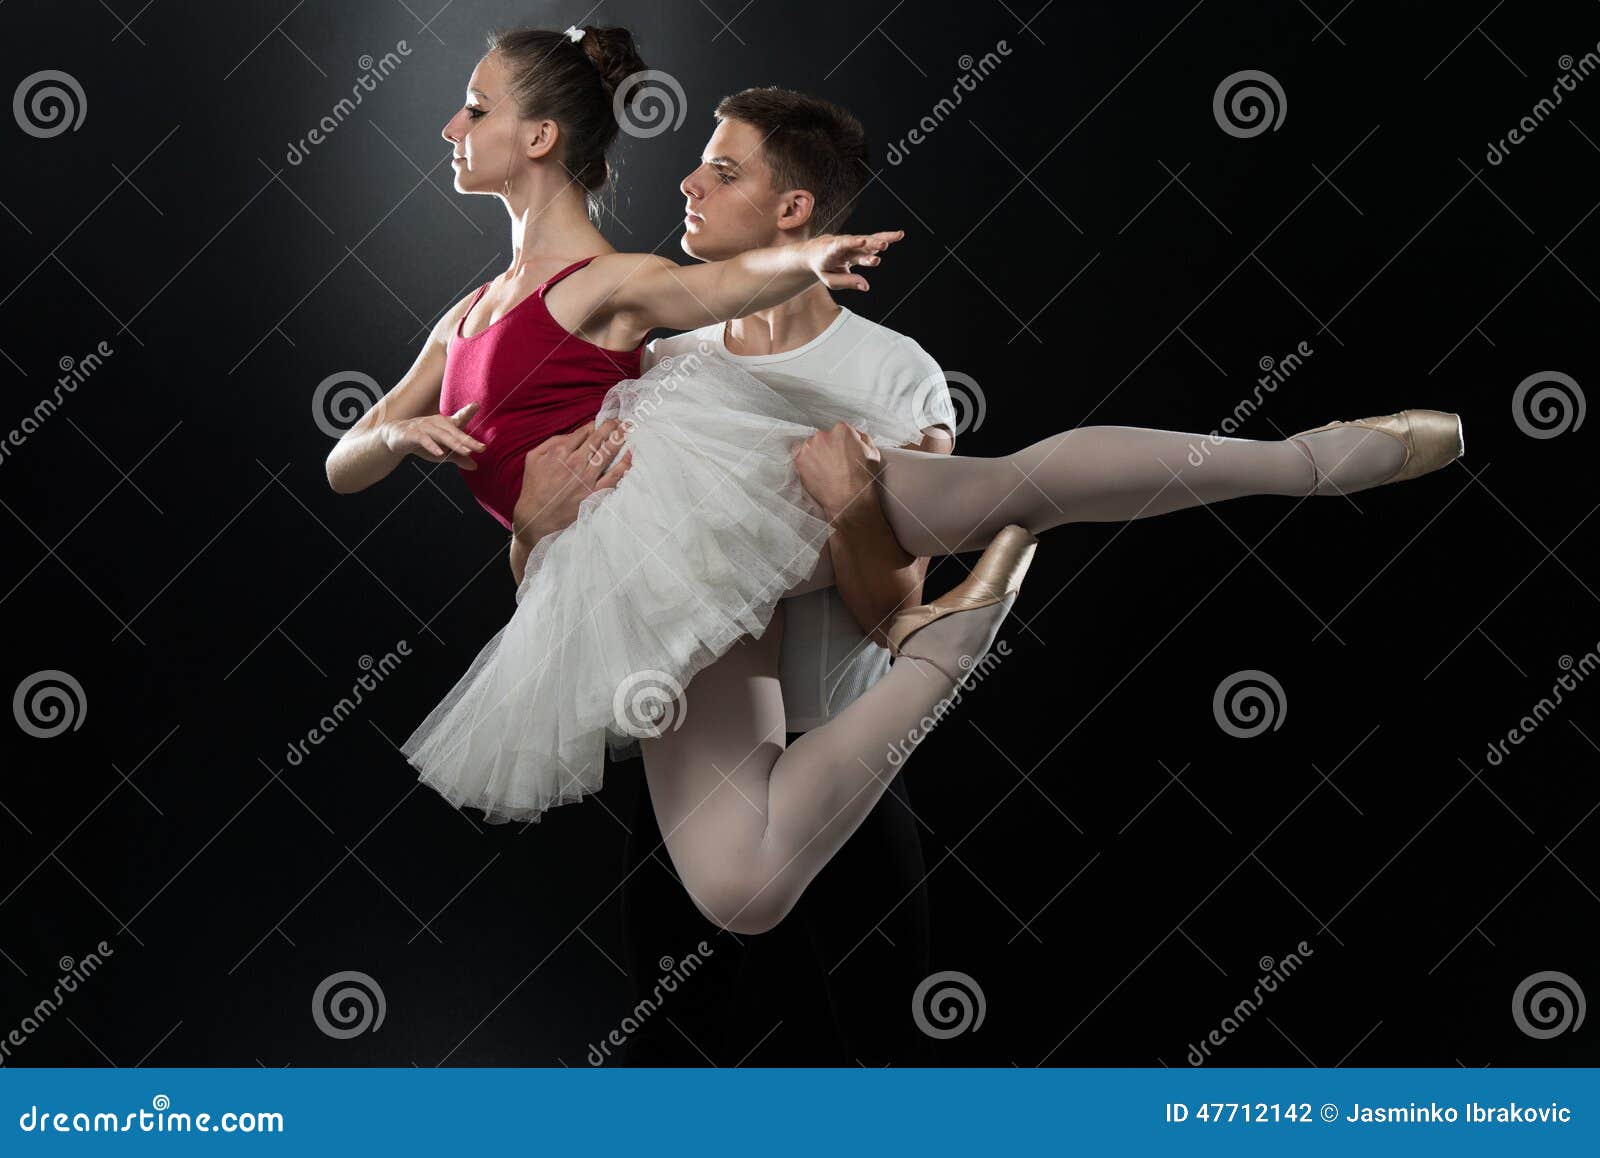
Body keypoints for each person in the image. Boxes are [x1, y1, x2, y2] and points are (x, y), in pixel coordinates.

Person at [326, 24, 1465, 953]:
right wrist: (444, 468)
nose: (451, 128)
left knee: (1010, 484)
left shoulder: (729, 319)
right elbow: (387, 467)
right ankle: (954, 646)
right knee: (739, 894)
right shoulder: (521, 326)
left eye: (472, 108)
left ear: (538, 136)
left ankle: (1304, 462)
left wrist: (817, 307)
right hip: (659, 591)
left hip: (757, 575)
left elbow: (708, 296)